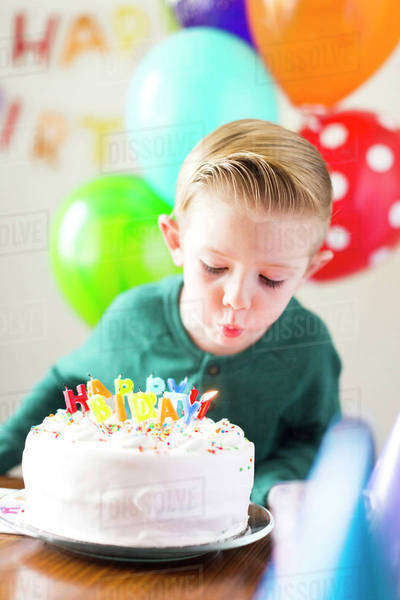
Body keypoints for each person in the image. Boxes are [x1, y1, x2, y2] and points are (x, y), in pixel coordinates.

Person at [0, 118, 341, 507]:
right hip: (122, 523)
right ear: (175, 241)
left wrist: (271, 487)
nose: (237, 298)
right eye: (214, 267)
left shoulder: (307, 346)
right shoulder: (134, 320)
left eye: (272, 278)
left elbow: (316, 439)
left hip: (245, 548)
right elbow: (67, 384)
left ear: (308, 270)